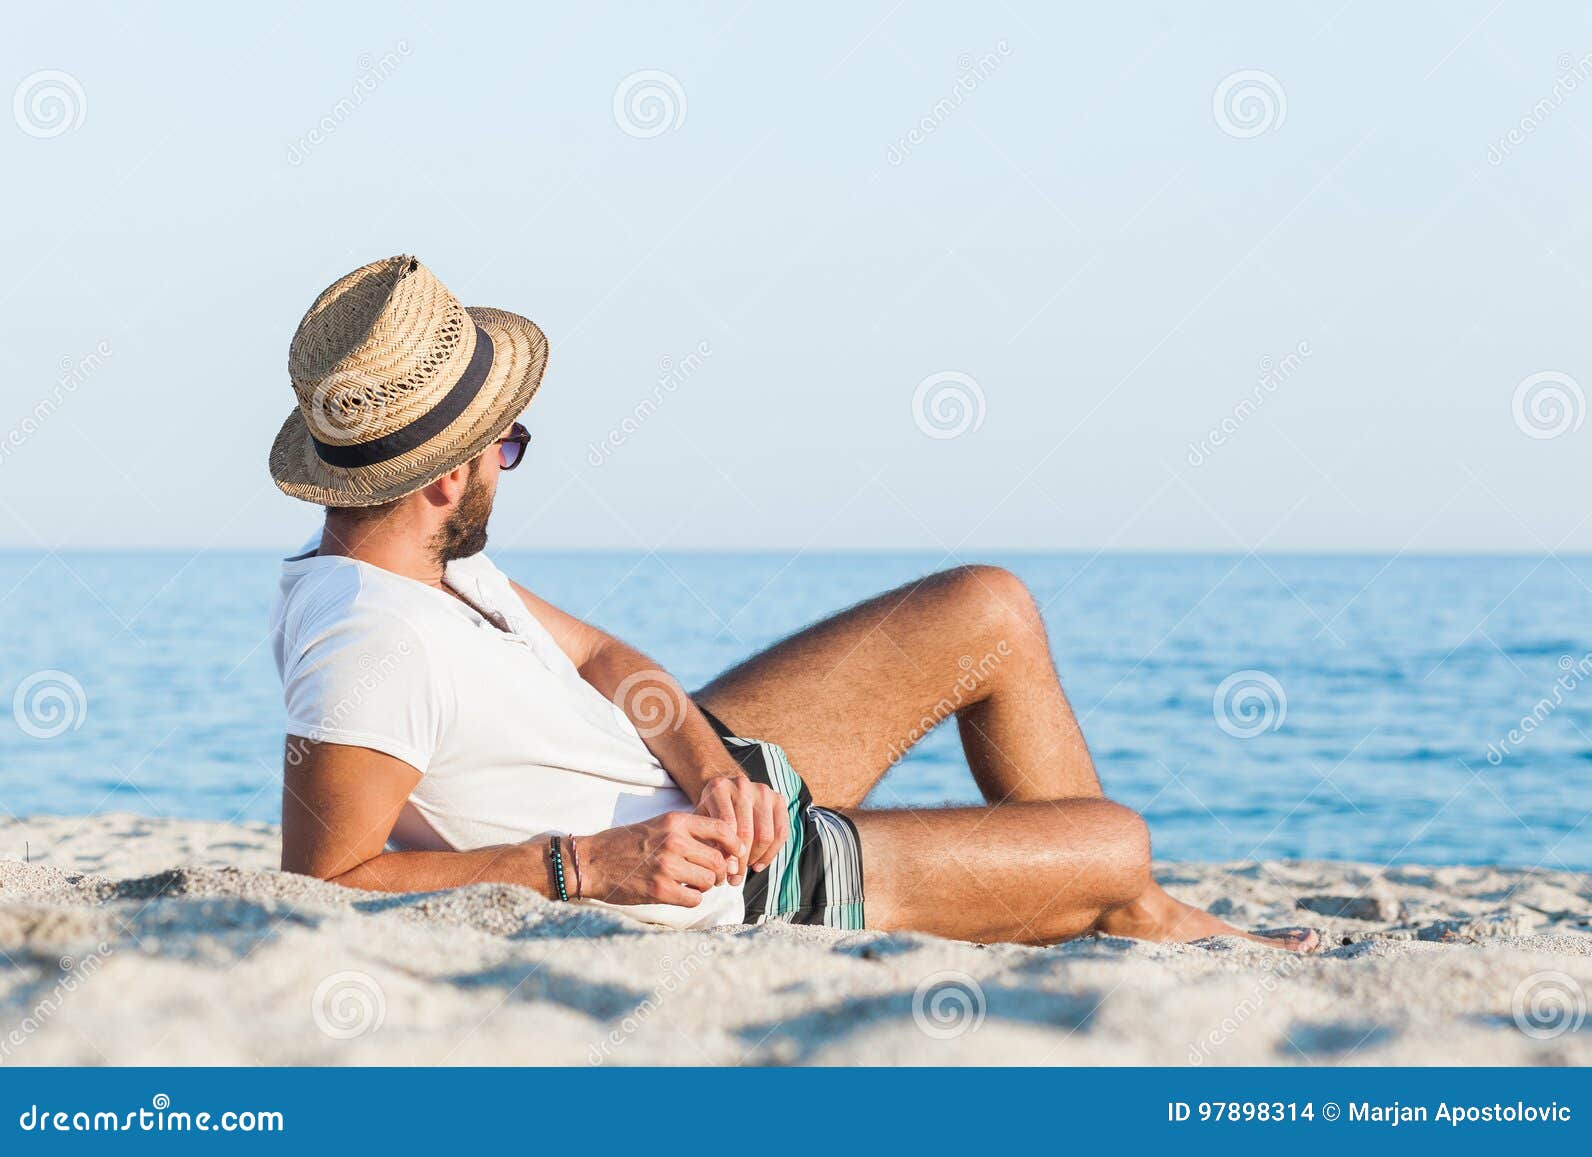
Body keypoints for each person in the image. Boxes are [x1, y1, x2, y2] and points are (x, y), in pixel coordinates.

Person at [268, 255, 1316, 950]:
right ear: (445, 477)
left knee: (987, 606)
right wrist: (581, 864)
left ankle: (1120, 906)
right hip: (745, 884)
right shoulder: (371, 642)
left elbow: (602, 660)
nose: (510, 461)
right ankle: (1128, 906)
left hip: (709, 785)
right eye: (507, 445)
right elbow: (325, 884)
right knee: (1114, 841)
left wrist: (714, 769)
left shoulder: (431, 565)